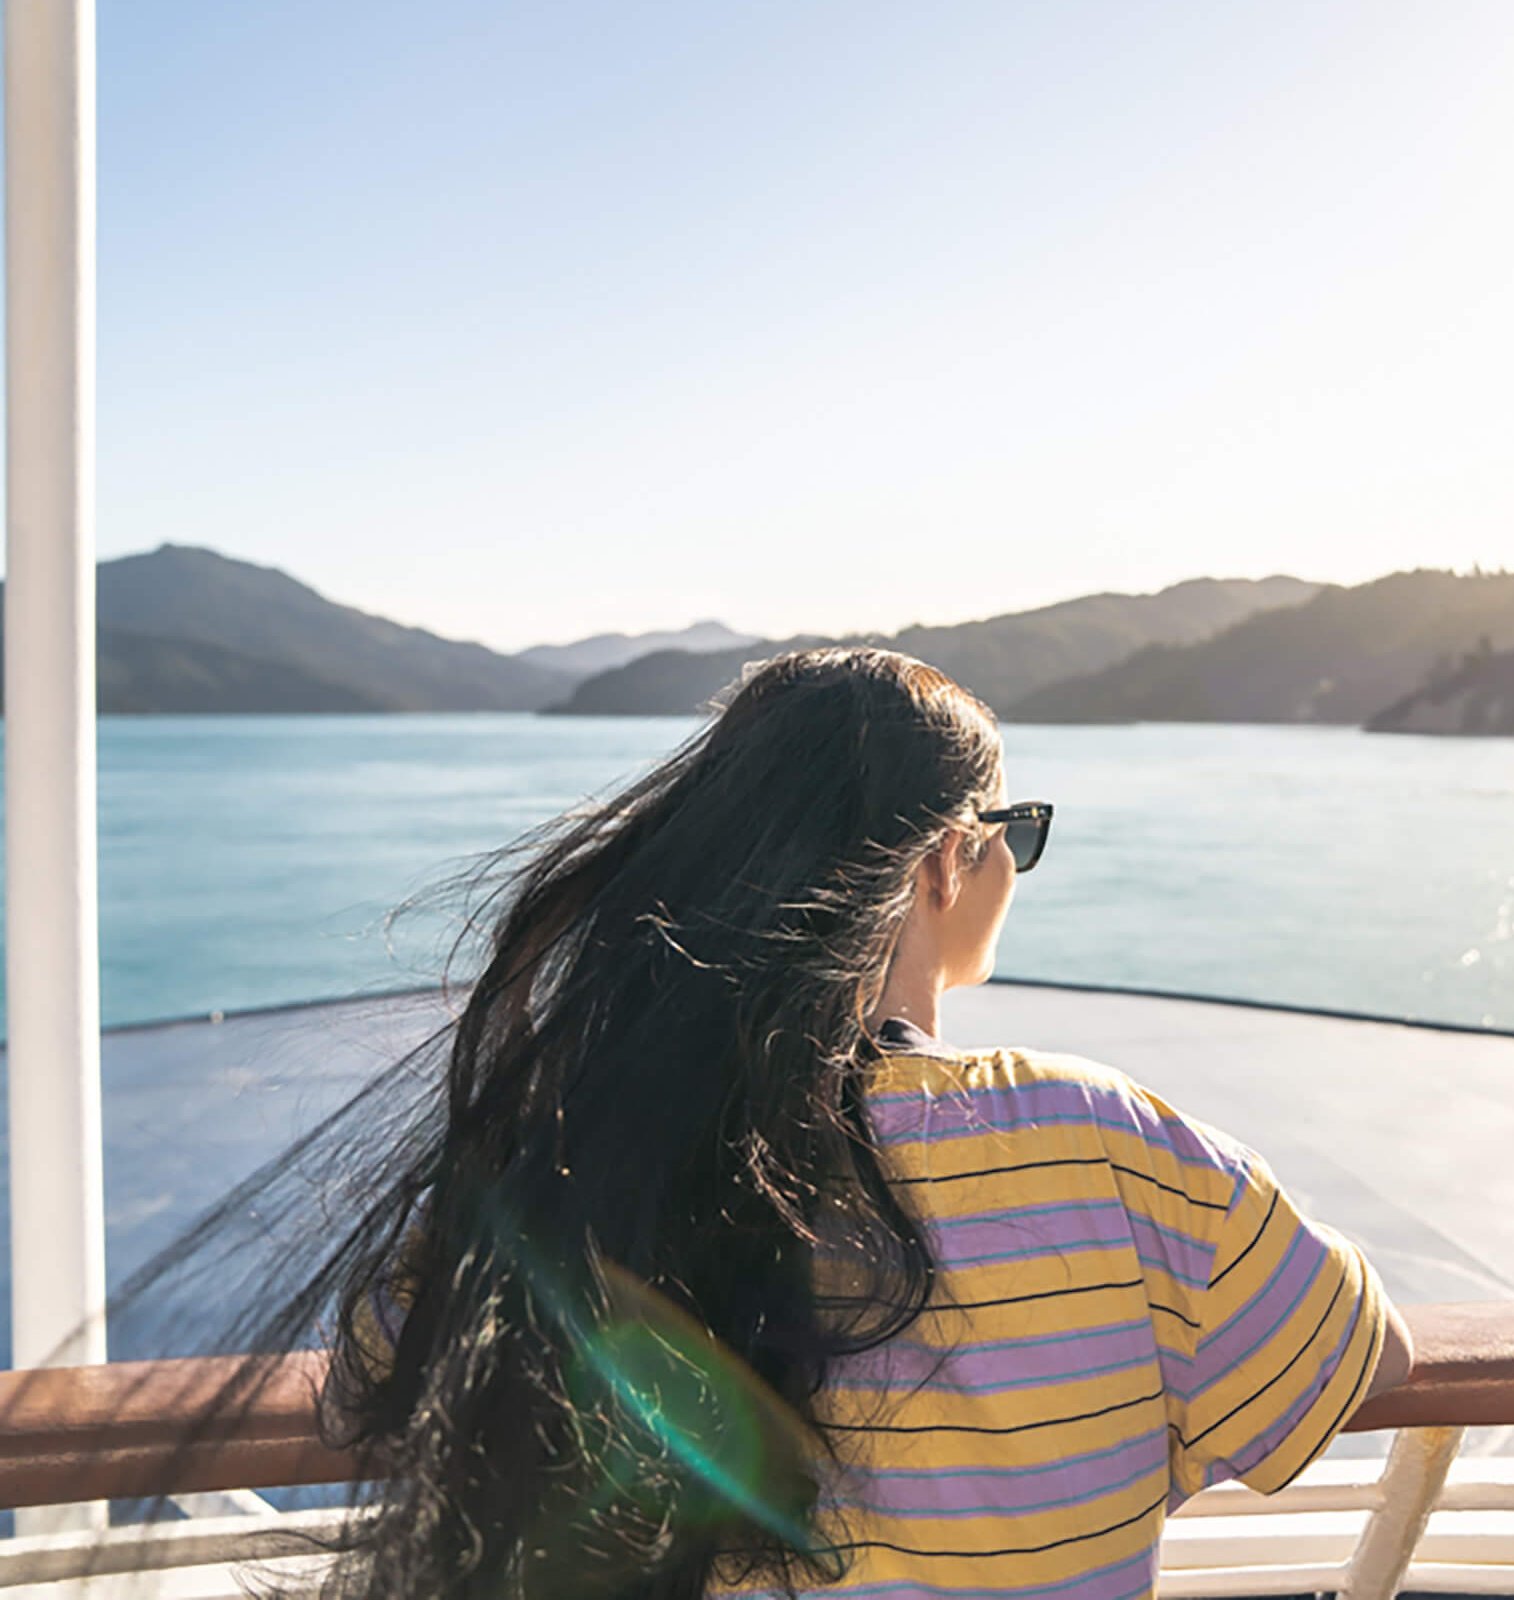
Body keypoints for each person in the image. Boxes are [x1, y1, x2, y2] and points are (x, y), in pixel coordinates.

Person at [302, 644, 1410, 1600]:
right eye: (1012, 833)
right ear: (943, 861)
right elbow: (1366, 1354)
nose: (1014, 864)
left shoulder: (579, 1149)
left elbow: (368, 1388)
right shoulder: (1103, 1142)